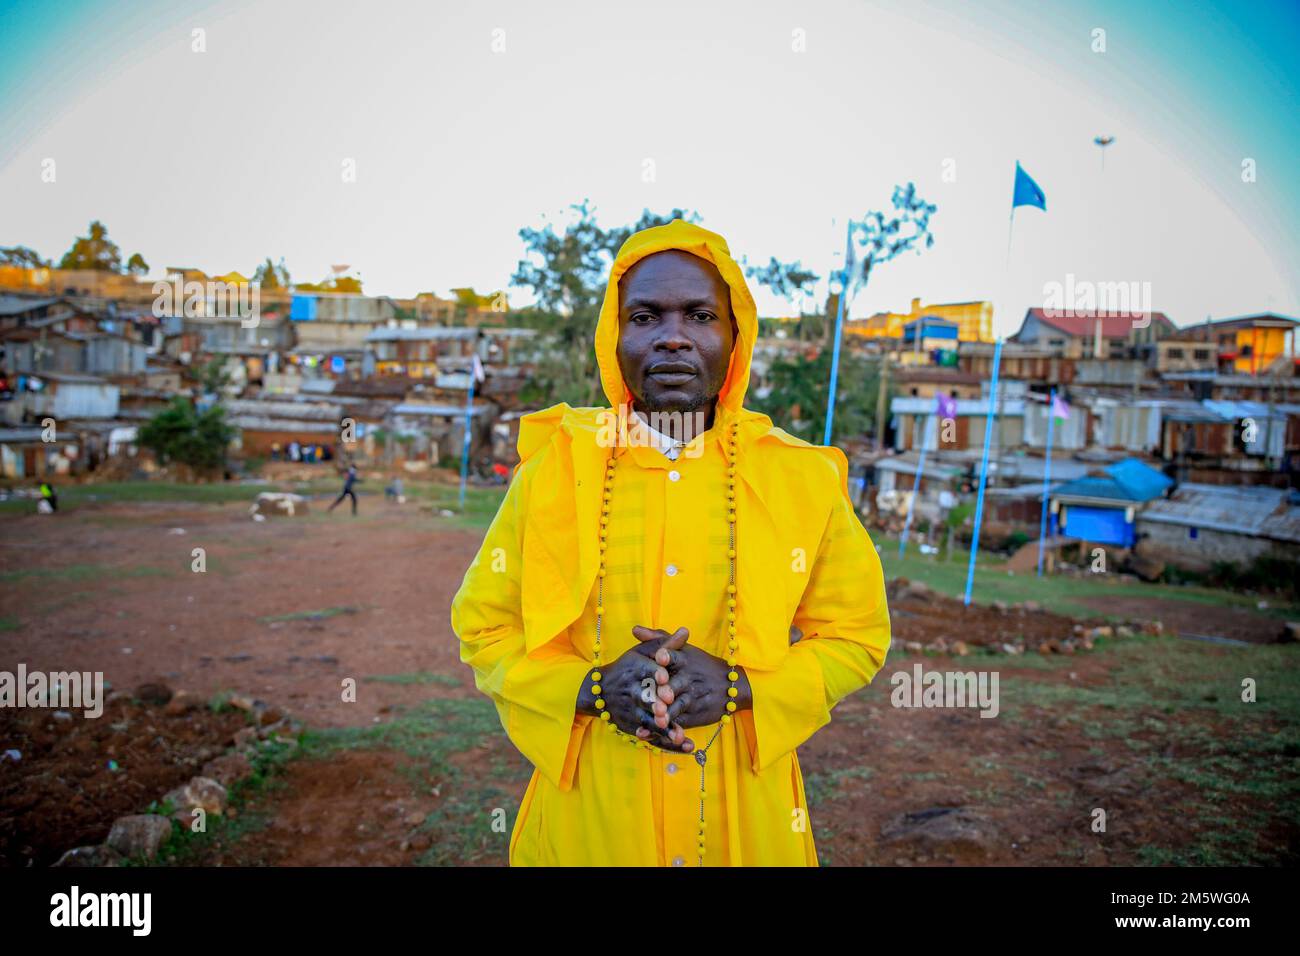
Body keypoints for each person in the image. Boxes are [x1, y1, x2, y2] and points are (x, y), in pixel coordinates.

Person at [450, 220, 891, 867]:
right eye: (646, 316)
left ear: (735, 335)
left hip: (749, 821)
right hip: (590, 826)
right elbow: (484, 628)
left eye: (701, 315)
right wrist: (592, 689)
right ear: (614, 335)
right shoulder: (555, 470)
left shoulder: (800, 478)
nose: (674, 337)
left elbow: (857, 635)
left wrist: (741, 688)